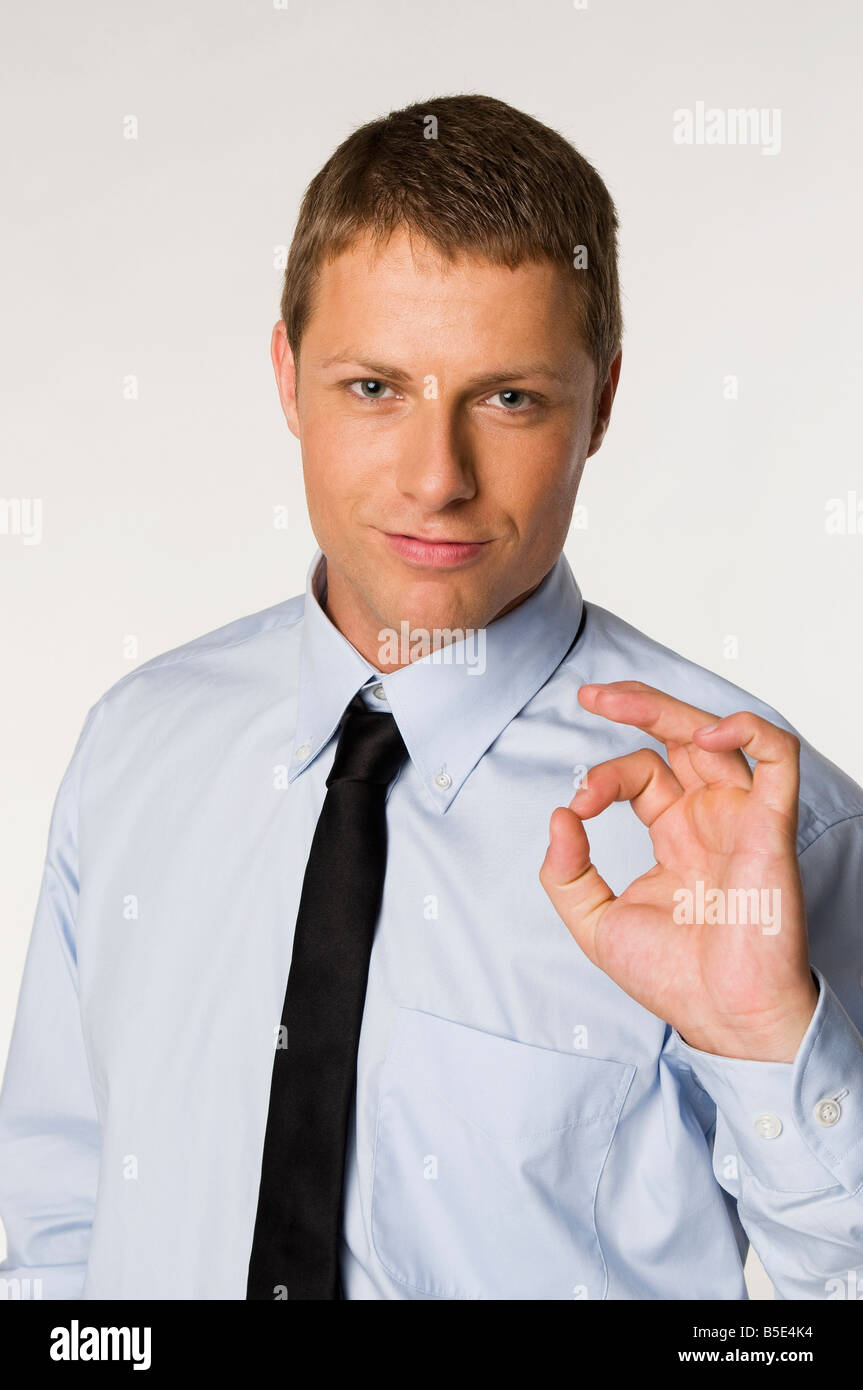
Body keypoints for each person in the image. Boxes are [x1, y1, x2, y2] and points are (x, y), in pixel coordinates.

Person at [1, 93, 862, 1303]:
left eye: (507, 397)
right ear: (285, 376)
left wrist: (773, 1047)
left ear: (601, 404)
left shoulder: (763, 825)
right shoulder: (138, 745)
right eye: (373, 389)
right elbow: (54, 1220)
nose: (435, 477)